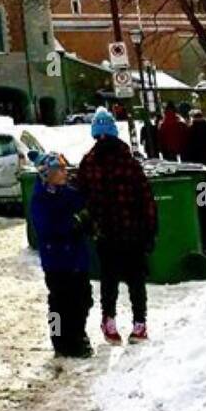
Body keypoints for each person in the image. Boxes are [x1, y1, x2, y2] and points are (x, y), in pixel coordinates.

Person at [74, 108, 157, 344]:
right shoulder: (127, 161)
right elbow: (146, 199)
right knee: (134, 279)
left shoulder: (89, 163)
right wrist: (150, 230)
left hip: (107, 233)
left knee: (110, 278)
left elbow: (81, 199)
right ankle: (138, 324)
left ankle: (109, 321)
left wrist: (91, 226)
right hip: (133, 232)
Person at [29, 153, 93, 358]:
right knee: (59, 302)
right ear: (48, 174)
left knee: (83, 299)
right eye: (60, 170)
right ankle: (59, 340)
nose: (65, 173)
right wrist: (72, 224)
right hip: (56, 261)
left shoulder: (68, 192)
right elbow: (47, 227)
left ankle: (78, 335)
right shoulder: (41, 198)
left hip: (76, 258)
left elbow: (84, 202)